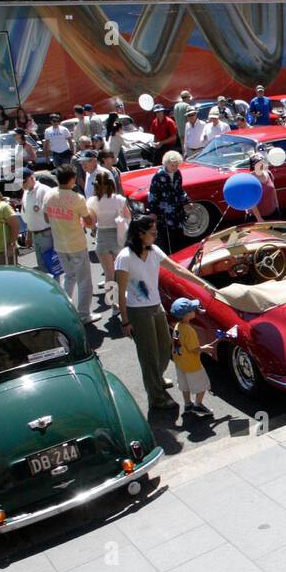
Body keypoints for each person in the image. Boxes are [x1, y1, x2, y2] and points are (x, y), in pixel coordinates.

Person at [114, 215, 207, 413]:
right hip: (137, 312)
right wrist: (125, 321)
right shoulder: (124, 257)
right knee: (148, 355)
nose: (155, 236)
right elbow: (120, 291)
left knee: (165, 347)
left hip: (156, 306)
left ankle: (156, 378)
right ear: (140, 234)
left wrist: (203, 284)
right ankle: (156, 398)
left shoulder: (154, 250)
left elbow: (176, 269)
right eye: (153, 233)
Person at [44, 164, 97, 323]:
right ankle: (84, 314)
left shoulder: (49, 194)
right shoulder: (76, 198)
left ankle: (68, 309)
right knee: (84, 281)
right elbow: (89, 222)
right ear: (72, 179)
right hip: (77, 244)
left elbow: (47, 218)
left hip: (59, 244)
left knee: (69, 277)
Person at [88, 173, 130, 318]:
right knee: (122, 272)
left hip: (102, 238)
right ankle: (125, 300)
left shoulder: (92, 201)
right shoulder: (119, 199)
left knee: (109, 274)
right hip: (118, 237)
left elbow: (91, 223)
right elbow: (128, 217)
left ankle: (114, 305)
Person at [170, 298, 214, 418]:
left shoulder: (177, 326)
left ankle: (188, 404)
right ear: (187, 315)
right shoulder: (189, 331)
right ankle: (198, 405)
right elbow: (194, 348)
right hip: (192, 364)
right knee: (203, 385)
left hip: (180, 363)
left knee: (185, 386)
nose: (194, 310)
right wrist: (205, 348)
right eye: (192, 309)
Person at [147, 151, 192, 253]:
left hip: (177, 210)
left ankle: (180, 254)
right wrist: (153, 211)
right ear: (166, 163)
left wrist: (187, 201)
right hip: (165, 212)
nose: (175, 167)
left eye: (176, 165)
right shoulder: (159, 176)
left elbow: (180, 190)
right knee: (167, 237)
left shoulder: (177, 174)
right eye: (172, 165)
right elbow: (153, 194)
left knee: (179, 234)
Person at [21, 169, 56, 275]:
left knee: (51, 267)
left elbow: (53, 216)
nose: (22, 184)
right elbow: (29, 216)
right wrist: (29, 235)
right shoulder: (26, 192)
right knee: (42, 268)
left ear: (32, 178)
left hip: (47, 233)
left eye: (24, 181)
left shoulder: (44, 191)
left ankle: (55, 290)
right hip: (36, 235)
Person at [248, 152, 278, 221]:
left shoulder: (269, 173)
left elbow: (273, 191)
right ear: (253, 165)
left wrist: (277, 206)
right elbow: (252, 202)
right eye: (259, 163)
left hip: (273, 213)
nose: (262, 165)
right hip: (257, 218)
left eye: (263, 162)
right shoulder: (250, 179)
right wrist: (259, 218)